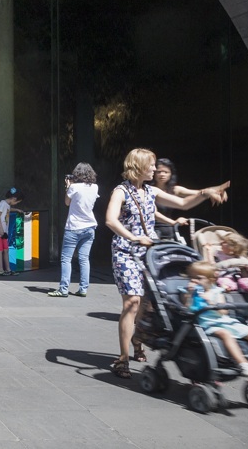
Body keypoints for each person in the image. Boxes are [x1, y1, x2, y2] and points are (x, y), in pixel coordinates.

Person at [104, 147, 219, 379]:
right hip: (126, 251)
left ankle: (137, 340)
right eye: (152, 165)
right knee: (132, 302)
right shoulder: (120, 191)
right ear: (138, 166)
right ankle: (122, 358)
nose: (155, 169)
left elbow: (183, 204)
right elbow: (110, 220)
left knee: (148, 304)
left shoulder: (151, 191)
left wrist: (206, 192)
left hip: (149, 253)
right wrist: (134, 237)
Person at [151, 158, 229, 240]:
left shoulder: (175, 189)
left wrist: (217, 191)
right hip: (154, 231)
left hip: (169, 231)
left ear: (171, 174)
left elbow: (199, 193)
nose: (162, 174)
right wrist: (173, 222)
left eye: (166, 172)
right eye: (159, 172)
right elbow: (154, 213)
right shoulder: (150, 190)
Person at [50, 164, 98, 297]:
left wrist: (68, 186)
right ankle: (83, 289)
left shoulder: (73, 187)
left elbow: (67, 202)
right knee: (84, 258)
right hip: (90, 227)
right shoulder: (95, 187)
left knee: (66, 259)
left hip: (74, 227)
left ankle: (63, 289)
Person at [213, 232, 248, 317]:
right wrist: (208, 251)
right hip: (224, 276)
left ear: (232, 248)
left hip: (239, 277)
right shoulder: (217, 254)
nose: (220, 243)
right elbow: (211, 265)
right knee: (224, 282)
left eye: (224, 242)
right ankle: (225, 298)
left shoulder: (240, 257)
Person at [0, 187, 21, 276]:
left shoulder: (7, 204)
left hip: (4, 231)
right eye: (17, 202)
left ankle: (8, 269)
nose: (15, 204)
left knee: (6, 249)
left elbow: (7, 210)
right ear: (14, 198)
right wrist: (0, 229)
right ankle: (0, 270)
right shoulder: (2, 203)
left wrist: (16, 210)